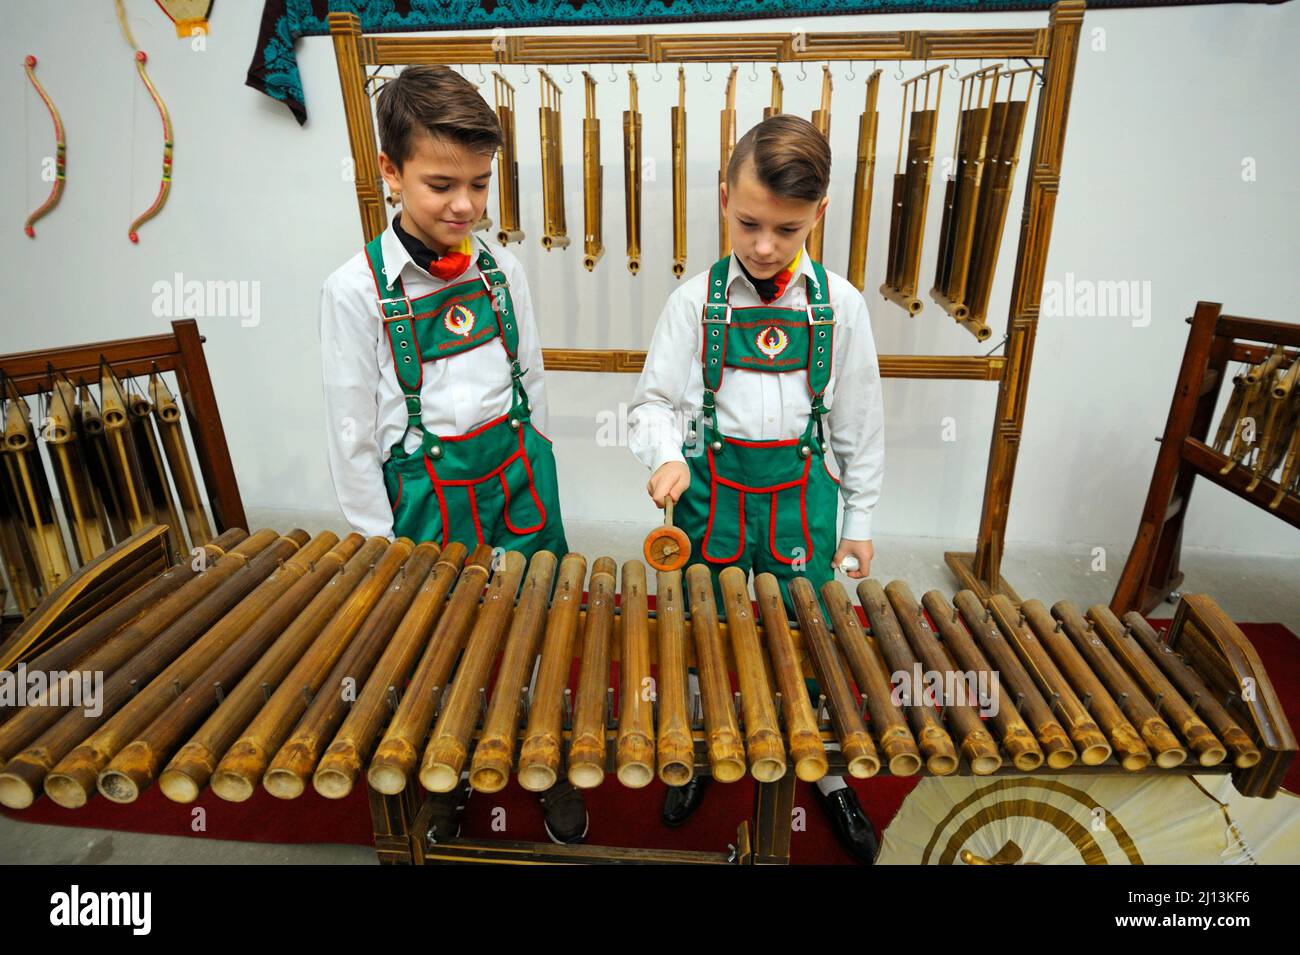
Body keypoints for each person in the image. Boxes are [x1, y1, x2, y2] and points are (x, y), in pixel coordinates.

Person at [318, 65, 585, 845]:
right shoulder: (354, 291)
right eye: (441, 184)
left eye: (479, 182)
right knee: (442, 642)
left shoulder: (503, 268)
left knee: (537, 623)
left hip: (518, 481)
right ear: (390, 172)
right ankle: (453, 763)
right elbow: (351, 433)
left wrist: (531, 455)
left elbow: (529, 376)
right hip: (424, 502)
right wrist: (378, 549)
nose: (465, 205)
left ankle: (547, 749)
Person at [626, 114, 885, 863]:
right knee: (704, 630)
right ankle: (703, 747)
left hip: (804, 502)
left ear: (819, 215)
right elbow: (654, 404)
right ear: (722, 199)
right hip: (713, 502)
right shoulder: (692, 302)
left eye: (787, 229)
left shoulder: (841, 306)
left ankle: (828, 770)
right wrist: (666, 454)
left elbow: (860, 426)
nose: (765, 246)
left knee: (814, 638)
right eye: (748, 223)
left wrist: (860, 517)